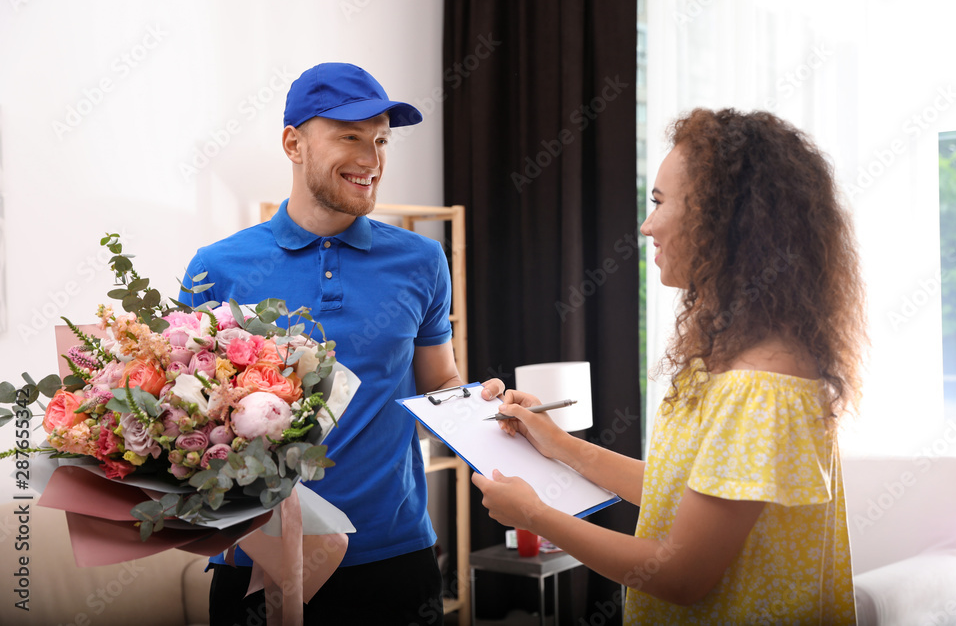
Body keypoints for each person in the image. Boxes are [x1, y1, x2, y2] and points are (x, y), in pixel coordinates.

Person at [473, 108, 867, 624]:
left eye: (659, 203)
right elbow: (675, 493)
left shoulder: (761, 387)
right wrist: (557, 443)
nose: (645, 225)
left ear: (723, 220)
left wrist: (534, 514)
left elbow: (681, 576)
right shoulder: (732, 359)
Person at [179, 62, 505, 626]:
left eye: (380, 139)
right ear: (294, 143)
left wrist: (483, 406)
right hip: (256, 556)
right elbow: (186, 409)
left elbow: (439, 382)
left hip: (393, 556)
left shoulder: (422, 260)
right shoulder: (216, 267)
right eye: (349, 136)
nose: (372, 158)